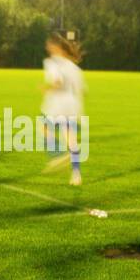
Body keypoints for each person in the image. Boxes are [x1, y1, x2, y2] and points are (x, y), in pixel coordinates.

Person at [41, 33, 86, 185]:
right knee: (71, 139)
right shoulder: (74, 67)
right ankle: (76, 174)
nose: (47, 48)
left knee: (45, 128)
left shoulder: (52, 63)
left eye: (49, 45)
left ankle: (58, 155)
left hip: (57, 103)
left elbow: (57, 82)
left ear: (56, 47)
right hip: (72, 104)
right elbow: (81, 90)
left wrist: (46, 88)